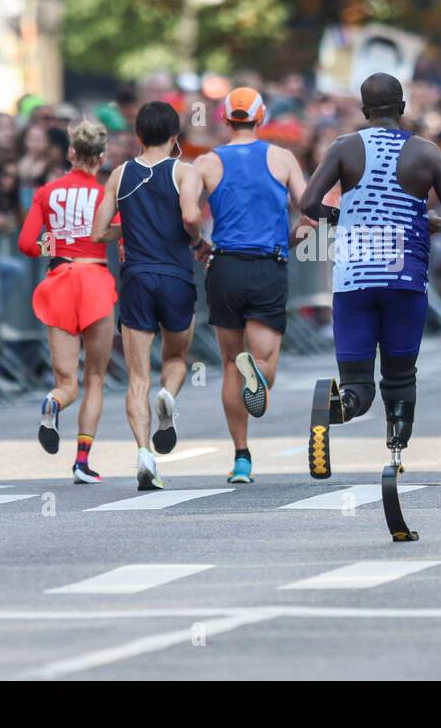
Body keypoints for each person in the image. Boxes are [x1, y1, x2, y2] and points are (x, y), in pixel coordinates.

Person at [300, 72, 441, 461]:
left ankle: (335, 407)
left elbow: (308, 203)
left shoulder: (344, 147)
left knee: (358, 385)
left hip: (353, 280)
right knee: (400, 376)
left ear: (363, 110)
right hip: (404, 280)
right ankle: (395, 453)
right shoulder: (427, 153)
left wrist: (340, 218)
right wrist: (432, 222)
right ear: (403, 108)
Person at [90, 102, 206, 491]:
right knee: (175, 357)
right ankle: (168, 396)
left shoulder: (120, 174)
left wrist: (131, 231)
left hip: (136, 277)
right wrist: (194, 239)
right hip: (176, 275)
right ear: (175, 136)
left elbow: (97, 231)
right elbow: (190, 217)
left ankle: (144, 454)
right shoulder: (185, 171)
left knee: (135, 377)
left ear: (138, 135)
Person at [194, 87, 308, 484]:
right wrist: (289, 239)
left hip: (224, 266)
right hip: (267, 265)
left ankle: (241, 457)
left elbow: (187, 214)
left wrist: (198, 244)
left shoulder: (206, 162)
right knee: (265, 360)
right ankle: (257, 374)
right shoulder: (282, 158)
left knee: (229, 362)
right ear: (261, 119)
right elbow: (309, 214)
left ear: (225, 120)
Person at [17, 119, 118, 484]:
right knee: (95, 378)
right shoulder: (107, 194)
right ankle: (81, 461)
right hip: (94, 281)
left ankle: (54, 402)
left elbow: (27, 245)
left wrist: (56, 246)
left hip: (59, 281)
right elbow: (115, 235)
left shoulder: (47, 192)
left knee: (67, 380)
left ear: (72, 153)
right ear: (102, 157)